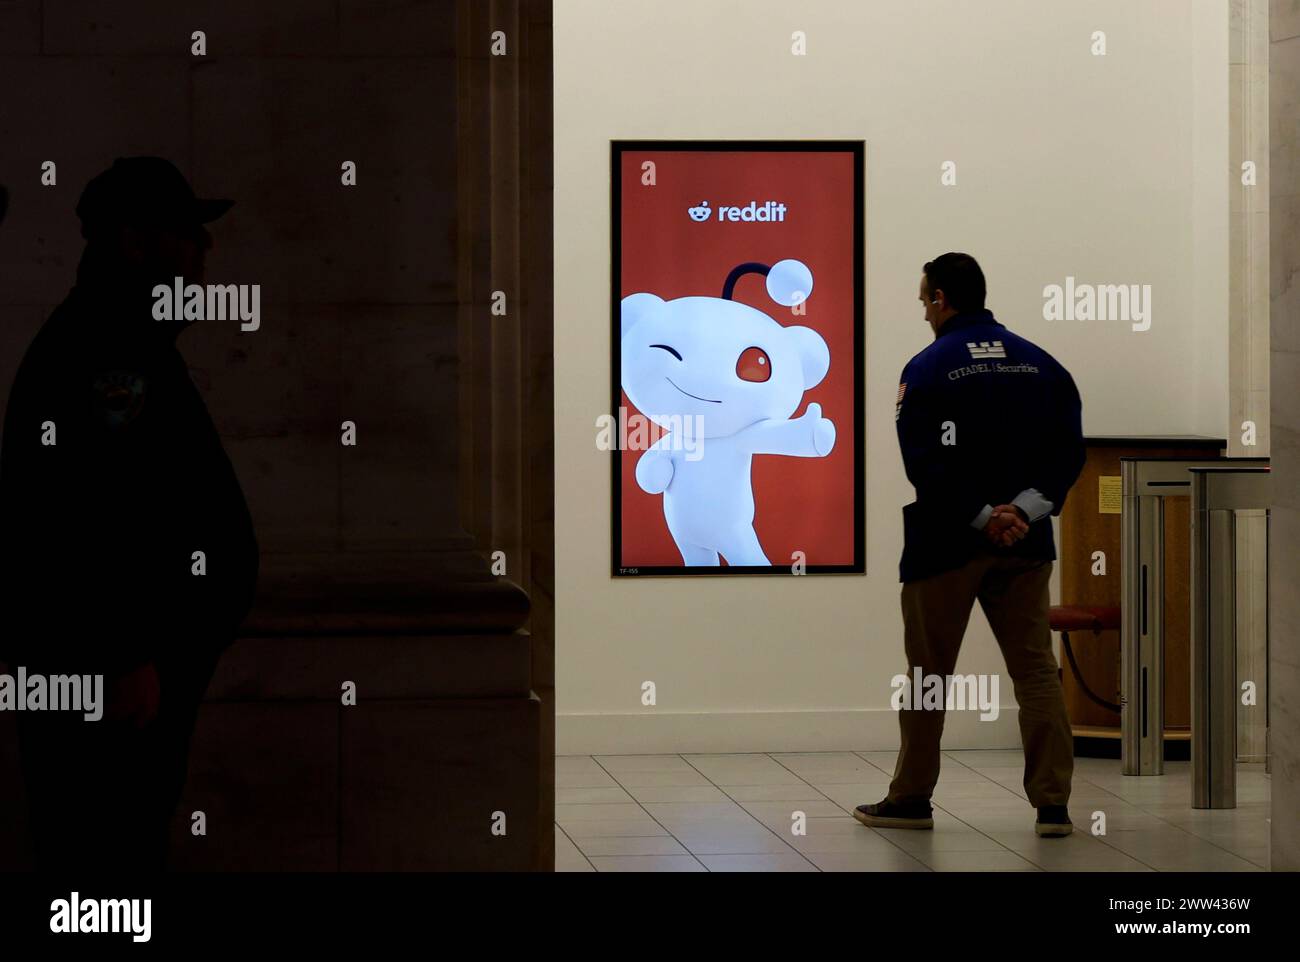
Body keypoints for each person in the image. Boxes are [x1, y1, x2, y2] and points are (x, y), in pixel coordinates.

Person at [0, 157, 259, 870]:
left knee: (116, 836)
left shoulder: (123, 338)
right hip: (110, 671)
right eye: (185, 233)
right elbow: (81, 508)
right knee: (103, 840)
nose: (203, 250)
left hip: (127, 667)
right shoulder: (105, 348)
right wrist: (119, 653)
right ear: (133, 243)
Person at [854, 252, 1085, 838]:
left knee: (929, 675)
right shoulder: (1044, 365)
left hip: (944, 545)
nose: (923, 310)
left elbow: (923, 463)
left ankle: (911, 799)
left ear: (940, 300)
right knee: (1036, 671)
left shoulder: (928, 367)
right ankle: (1052, 806)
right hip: (1027, 543)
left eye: (924, 299)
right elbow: (1069, 452)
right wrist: (1022, 512)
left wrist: (982, 517)